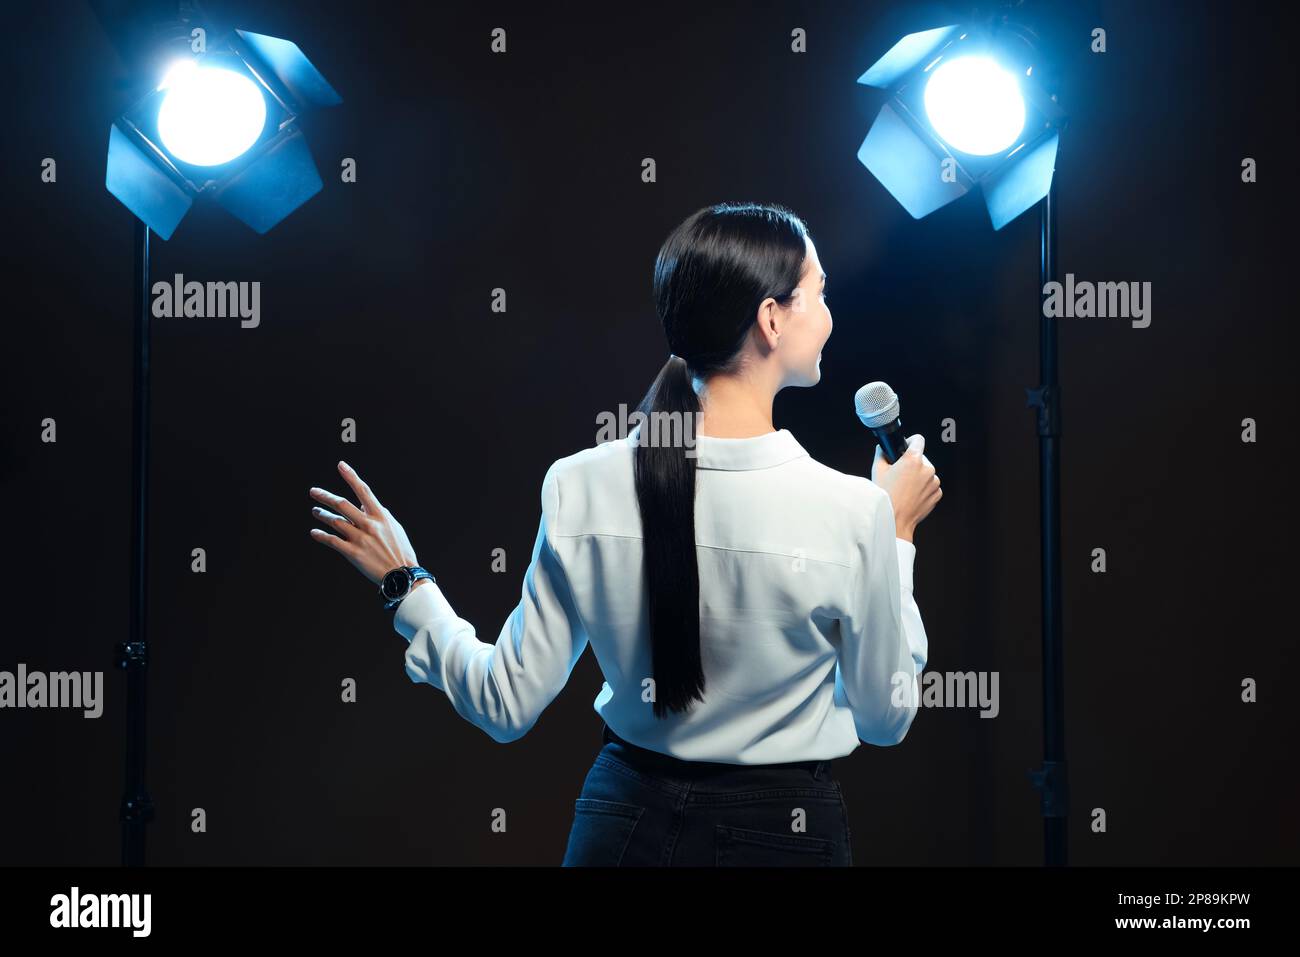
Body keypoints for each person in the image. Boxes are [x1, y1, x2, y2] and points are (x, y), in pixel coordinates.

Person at [308, 201, 941, 866]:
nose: (830, 313)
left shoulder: (578, 483)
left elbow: (504, 701)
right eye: (820, 292)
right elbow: (884, 717)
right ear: (771, 318)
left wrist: (408, 587)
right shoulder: (852, 510)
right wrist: (896, 530)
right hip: (781, 833)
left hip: (620, 820)